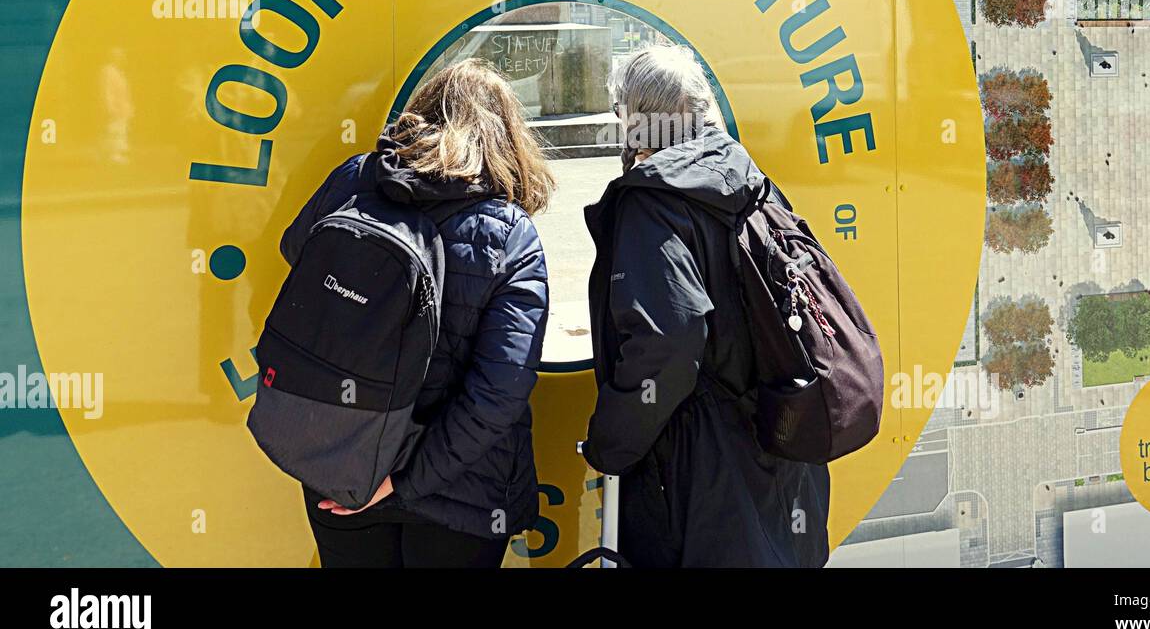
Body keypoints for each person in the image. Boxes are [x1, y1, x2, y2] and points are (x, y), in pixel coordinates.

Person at [280, 58, 553, 568]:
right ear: (508, 142)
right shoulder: (511, 234)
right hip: (462, 494)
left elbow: (296, 250)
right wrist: (405, 480)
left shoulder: (356, 180)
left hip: (344, 460)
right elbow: (498, 394)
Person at [581, 45, 831, 567]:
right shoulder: (749, 180)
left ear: (640, 118)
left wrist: (612, 442)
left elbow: (667, 342)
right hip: (780, 454)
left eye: (622, 113)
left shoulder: (653, 203)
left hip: (703, 482)